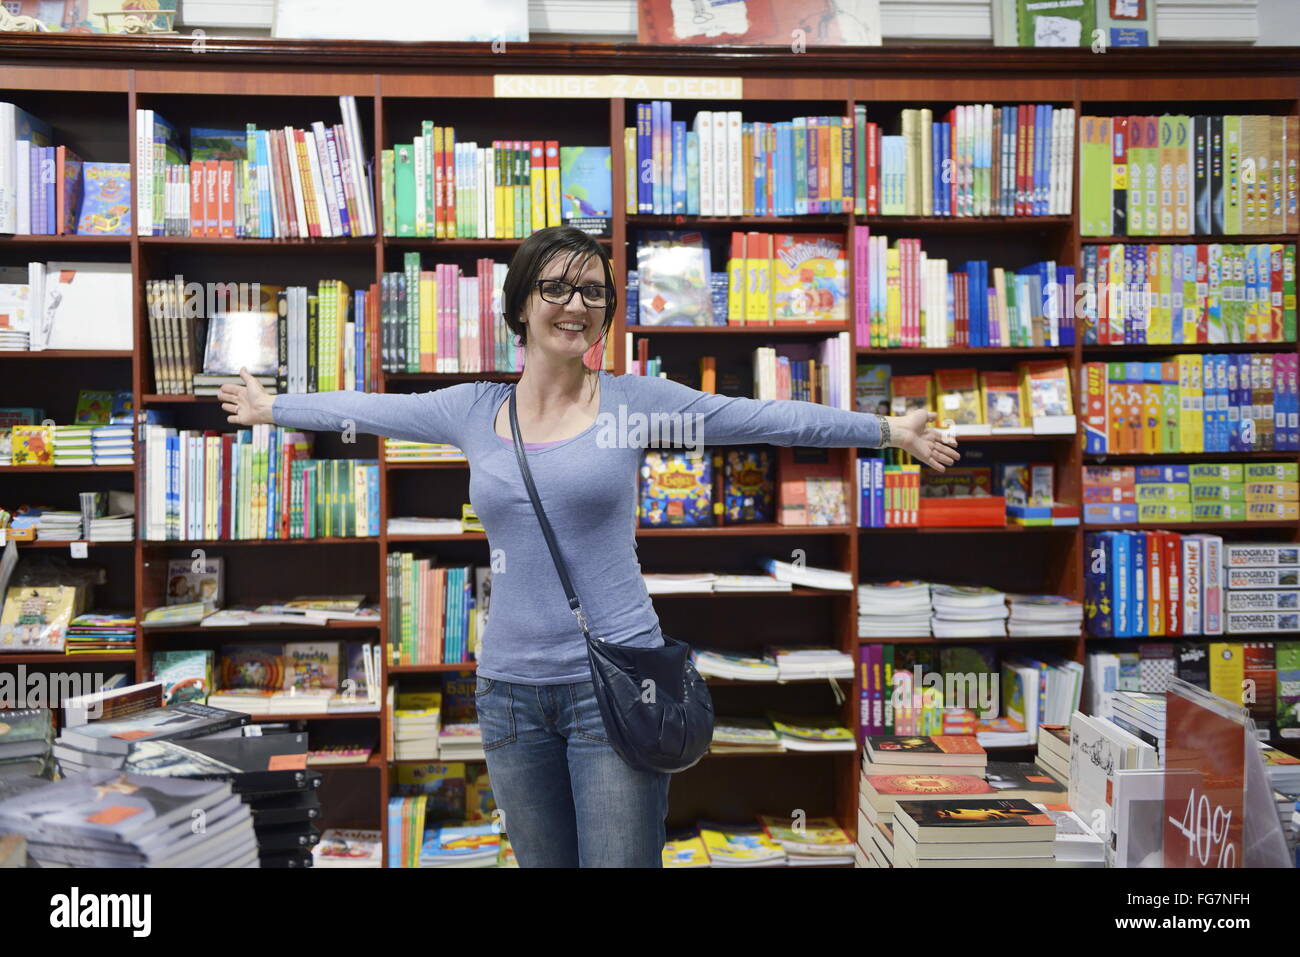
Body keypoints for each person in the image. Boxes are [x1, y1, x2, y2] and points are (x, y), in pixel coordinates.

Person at [218, 224, 959, 868]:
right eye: (557, 288)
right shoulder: (474, 409)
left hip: (616, 686)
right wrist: (270, 407)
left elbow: (763, 416)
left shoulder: (634, 404)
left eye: (594, 293)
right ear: (521, 304)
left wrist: (887, 431)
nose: (576, 305)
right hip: (507, 694)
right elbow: (367, 408)